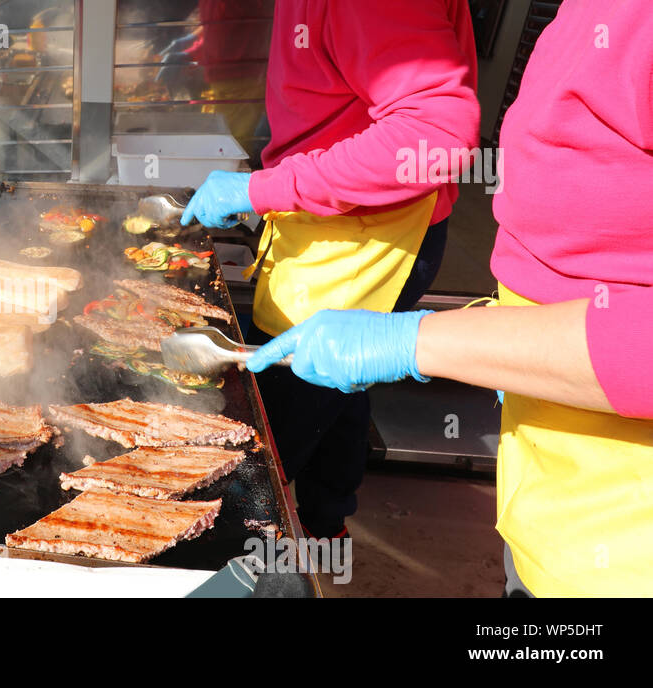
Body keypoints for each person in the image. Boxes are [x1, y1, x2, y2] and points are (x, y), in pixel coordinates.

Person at [245, 1, 653, 597]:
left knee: (282, 428)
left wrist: (416, 340)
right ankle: (324, 537)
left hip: (624, 545)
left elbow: (434, 133)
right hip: (560, 481)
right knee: (337, 398)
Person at [181, 0, 479, 540]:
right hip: (339, 222)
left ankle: (237, 543)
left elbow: (435, 137)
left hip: (363, 240)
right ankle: (325, 524)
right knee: (337, 380)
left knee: (264, 437)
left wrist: (263, 189)